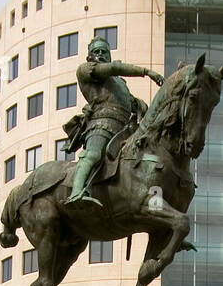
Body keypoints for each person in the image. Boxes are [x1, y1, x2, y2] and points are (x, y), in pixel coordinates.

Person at [64, 36, 164, 205]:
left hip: (124, 130)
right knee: (93, 155)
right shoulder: (86, 70)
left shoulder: (119, 83)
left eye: (104, 51)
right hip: (101, 124)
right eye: (96, 51)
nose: (100, 54)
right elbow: (114, 68)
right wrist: (147, 72)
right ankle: (75, 193)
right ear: (89, 55)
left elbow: (132, 103)